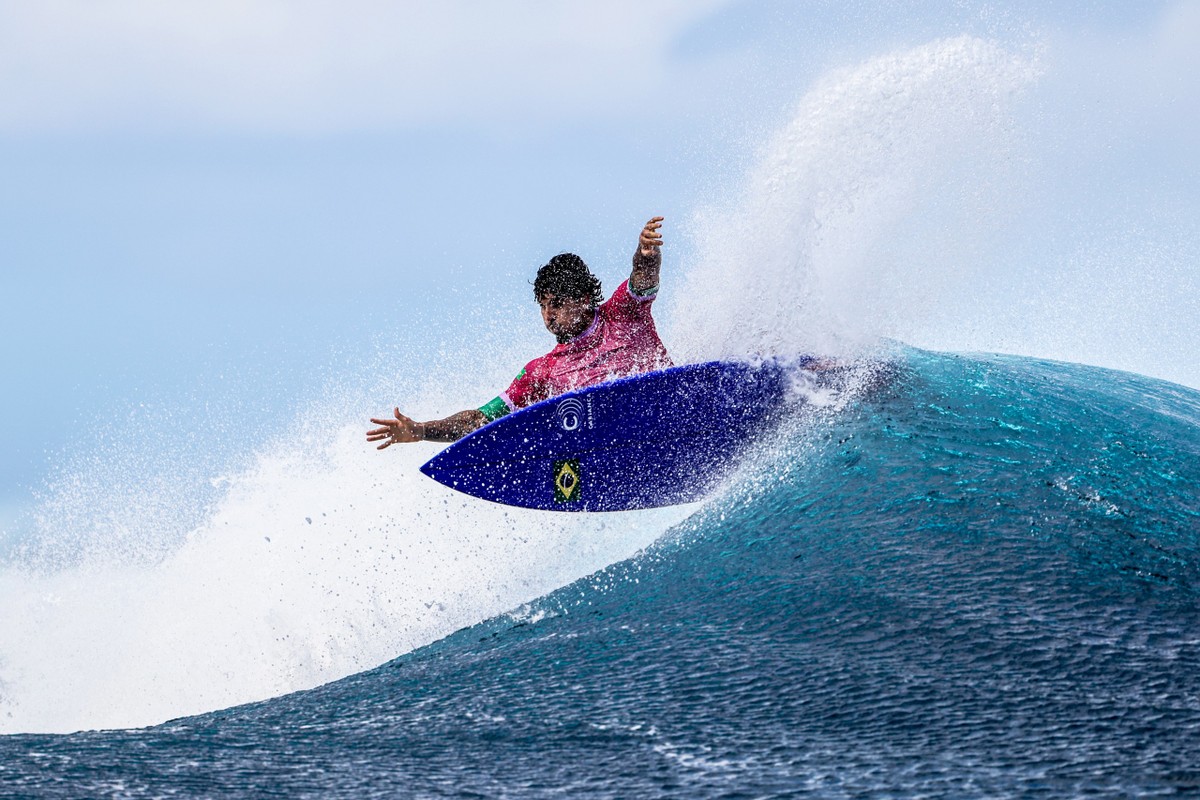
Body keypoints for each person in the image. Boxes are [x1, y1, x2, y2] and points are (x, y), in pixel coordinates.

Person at [367, 216, 673, 449]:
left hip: (669, 413)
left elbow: (643, 277)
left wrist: (645, 253)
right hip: (622, 444)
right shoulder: (541, 372)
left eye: (556, 304)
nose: (548, 316)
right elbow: (480, 419)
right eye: (542, 306)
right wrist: (421, 430)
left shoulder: (622, 313)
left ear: (582, 299)